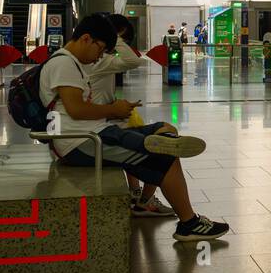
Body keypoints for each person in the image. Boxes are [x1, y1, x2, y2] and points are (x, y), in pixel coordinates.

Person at [40, 14, 228, 241]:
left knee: (162, 129)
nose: (99, 56)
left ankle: (158, 143)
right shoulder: (63, 63)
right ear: (86, 39)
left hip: (95, 134)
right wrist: (113, 110)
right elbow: (76, 109)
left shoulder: (72, 63)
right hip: (82, 142)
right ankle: (189, 223)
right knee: (165, 157)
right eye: (100, 49)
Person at [84, 14, 174, 218]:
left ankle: (136, 192)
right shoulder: (101, 61)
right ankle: (145, 201)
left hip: (100, 120)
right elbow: (134, 60)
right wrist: (115, 38)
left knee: (132, 124)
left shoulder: (83, 60)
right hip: (99, 126)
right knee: (160, 144)